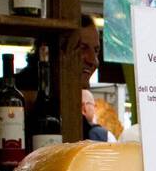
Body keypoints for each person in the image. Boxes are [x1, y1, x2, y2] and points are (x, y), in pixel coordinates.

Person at [16, 13, 109, 141]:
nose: (94, 60)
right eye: (82, 48)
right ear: (52, 51)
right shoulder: (16, 95)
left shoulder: (76, 116)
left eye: (96, 50)